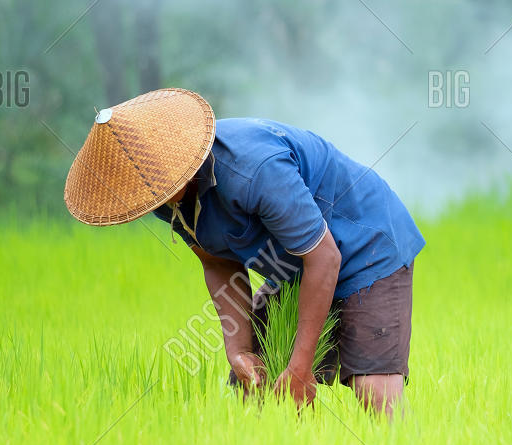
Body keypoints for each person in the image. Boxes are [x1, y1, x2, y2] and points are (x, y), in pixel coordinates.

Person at [63, 88, 423, 417]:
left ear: (176, 164)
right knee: (251, 387)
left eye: (153, 189)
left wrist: (301, 366)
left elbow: (325, 258)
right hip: (296, 263)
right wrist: (238, 350)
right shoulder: (164, 197)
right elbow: (218, 261)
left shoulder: (254, 170)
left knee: (374, 393)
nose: (149, 202)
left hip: (368, 247)